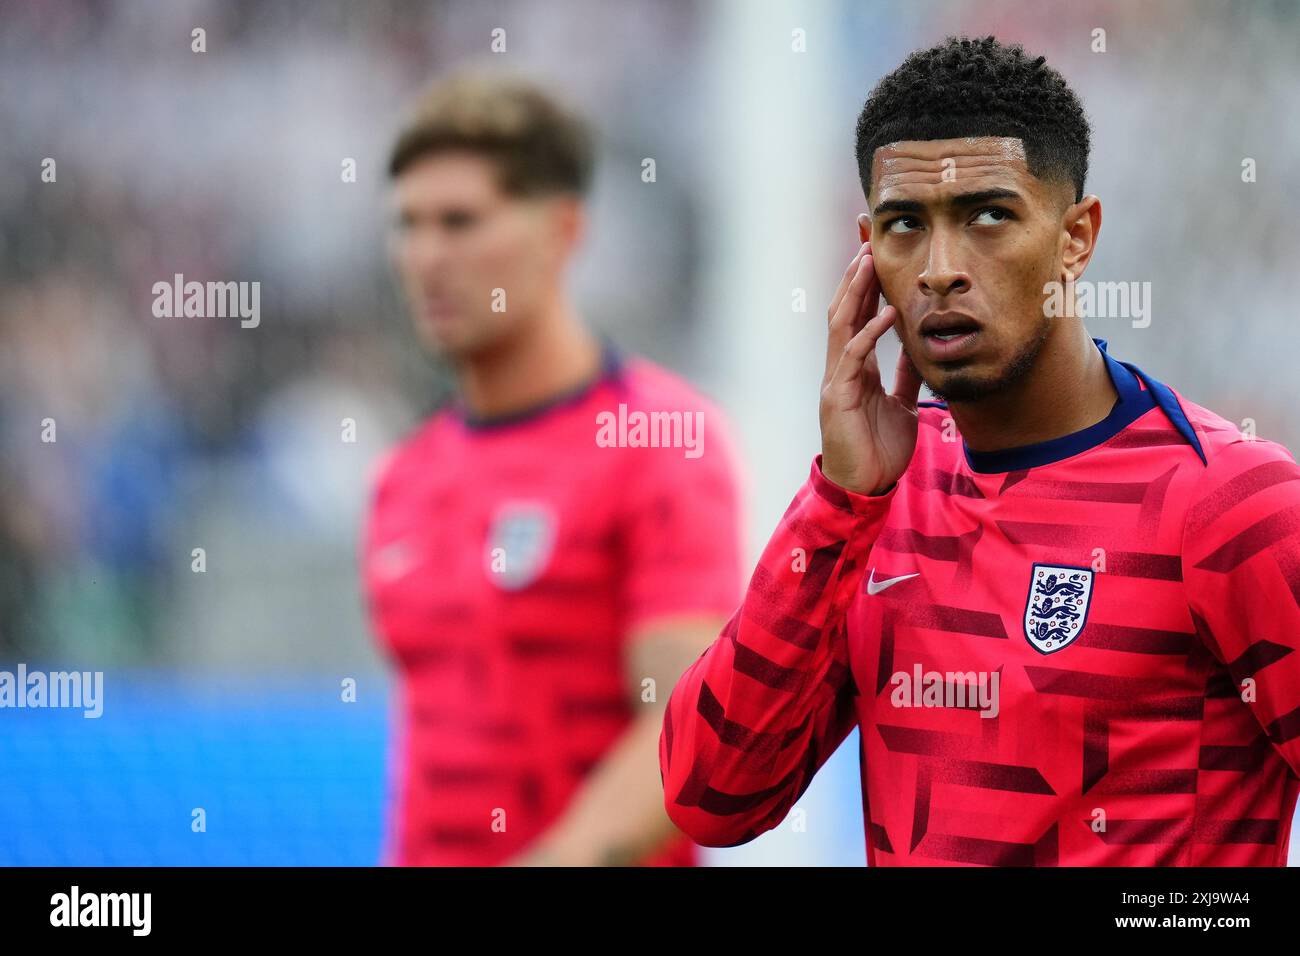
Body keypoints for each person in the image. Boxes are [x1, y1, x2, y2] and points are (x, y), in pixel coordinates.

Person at [660, 35, 1300, 866]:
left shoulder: (1231, 503)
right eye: (903, 227)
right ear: (866, 253)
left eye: (988, 216)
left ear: (1076, 237)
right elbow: (710, 797)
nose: (940, 270)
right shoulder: (869, 503)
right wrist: (836, 508)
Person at [364, 71, 744, 866]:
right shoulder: (405, 477)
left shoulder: (658, 440)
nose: (427, 256)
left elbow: (684, 734)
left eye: (461, 222)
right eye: (409, 225)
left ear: (564, 230)